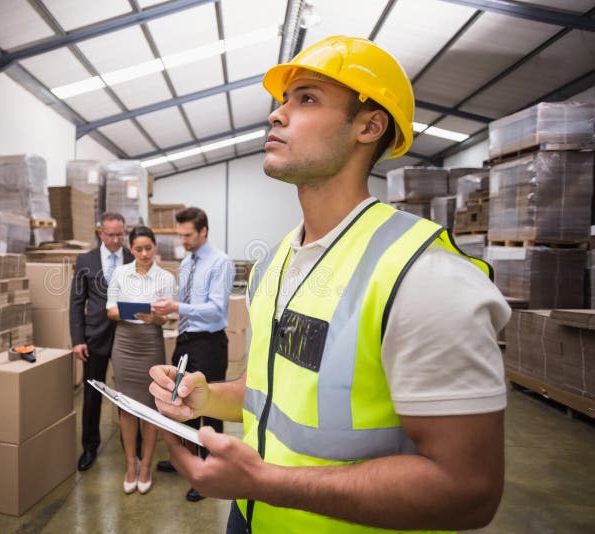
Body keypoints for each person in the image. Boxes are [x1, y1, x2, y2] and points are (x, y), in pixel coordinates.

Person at [149, 35, 510, 532]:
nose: (276, 114)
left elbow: (467, 491)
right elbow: (267, 390)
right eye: (283, 100)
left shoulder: (424, 275)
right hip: (250, 517)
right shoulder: (276, 263)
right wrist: (206, 397)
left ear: (369, 126)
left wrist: (265, 482)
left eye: (307, 99)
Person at [151, 206, 235, 502]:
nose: (183, 241)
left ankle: (210, 472)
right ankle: (187, 461)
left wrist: (177, 307)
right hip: (185, 339)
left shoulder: (221, 262)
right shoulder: (187, 262)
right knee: (183, 400)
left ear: (203, 231)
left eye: (188, 235)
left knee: (209, 407)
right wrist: (168, 307)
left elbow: (215, 309)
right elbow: (185, 303)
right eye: (180, 235)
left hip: (209, 343)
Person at [105, 226, 176, 494]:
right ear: (130, 249)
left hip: (150, 344)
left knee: (151, 407)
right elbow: (110, 310)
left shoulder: (165, 277)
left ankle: (146, 466)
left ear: (155, 246)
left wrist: (153, 317)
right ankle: (131, 464)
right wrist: (134, 312)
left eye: (148, 248)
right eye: (138, 249)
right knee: (126, 407)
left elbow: (165, 318)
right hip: (124, 344)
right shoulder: (120, 273)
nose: (144, 254)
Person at [70, 212, 133, 472]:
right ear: (100, 233)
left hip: (126, 336)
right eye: (111, 235)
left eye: (120, 235)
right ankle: (89, 447)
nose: (116, 240)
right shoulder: (85, 260)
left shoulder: (133, 257)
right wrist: (78, 340)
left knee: (127, 394)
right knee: (92, 395)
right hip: (94, 337)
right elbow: (76, 302)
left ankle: (132, 446)